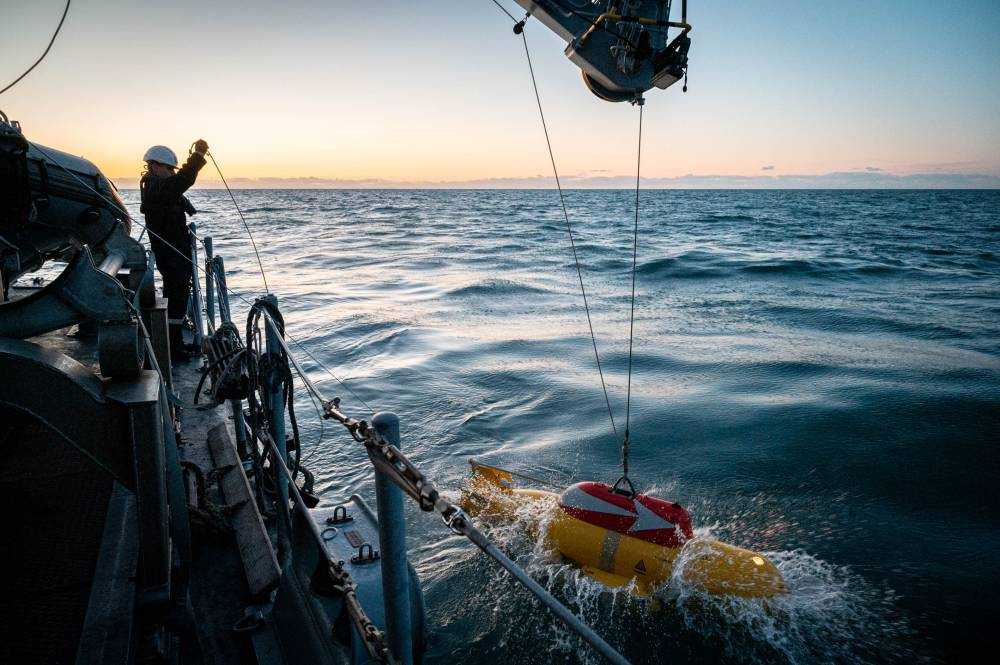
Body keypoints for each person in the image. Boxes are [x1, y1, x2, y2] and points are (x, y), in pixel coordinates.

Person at [140, 139, 208, 360]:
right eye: (168, 168)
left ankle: (175, 342)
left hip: (176, 252)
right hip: (171, 254)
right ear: (155, 166)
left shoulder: (160, 188)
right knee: (176, 295)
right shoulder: (156, 188)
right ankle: (173, 347)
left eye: (172, 169)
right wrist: (197, 156)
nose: (171, 172)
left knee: (178, 296)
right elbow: (183, 180)